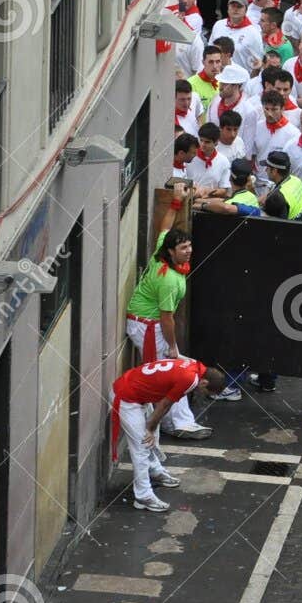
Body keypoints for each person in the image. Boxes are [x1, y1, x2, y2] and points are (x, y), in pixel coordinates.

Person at [123, 183, 214, 438]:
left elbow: (164, 228)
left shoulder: (161, 252)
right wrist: (173, 347)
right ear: (172, 252)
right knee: (168, 375)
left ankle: (179, 422)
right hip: (150, 328)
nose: (189, 252)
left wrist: (176, 202)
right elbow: (167, 319)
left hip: (147, 324)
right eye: (183, 248)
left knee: (174, 373)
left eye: (189, 246)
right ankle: (171, 425)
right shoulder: (170, 281)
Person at [112, 358, 226, 512]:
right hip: (127, 397)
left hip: (135, 391)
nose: (202, 394)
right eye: (206, 392)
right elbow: (165, 404)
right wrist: (150, 429)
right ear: (204, 383)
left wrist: (153, 428)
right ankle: (143, 497)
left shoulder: (195, 366)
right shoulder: (191, 380)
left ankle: (155, 470)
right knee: (143, 445)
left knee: (153, 435)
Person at [261, 150, 302, 220]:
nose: (265, 170)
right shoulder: (296, 180)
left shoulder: (276, 198)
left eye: (267, 167)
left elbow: (274, 227)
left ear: (274, 171)